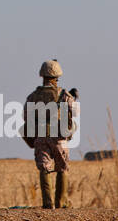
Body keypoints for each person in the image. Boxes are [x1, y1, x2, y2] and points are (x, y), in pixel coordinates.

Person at [22, 59, 77, 209]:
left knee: (44, 168)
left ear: (42, 76)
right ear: (57, 77)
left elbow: (26, 117)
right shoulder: (63, 94)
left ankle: (48, 203)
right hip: (59, 138)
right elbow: (75, 112)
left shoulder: (33, 96)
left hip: (41, 137)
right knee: (62, 168)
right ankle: (61, 202)